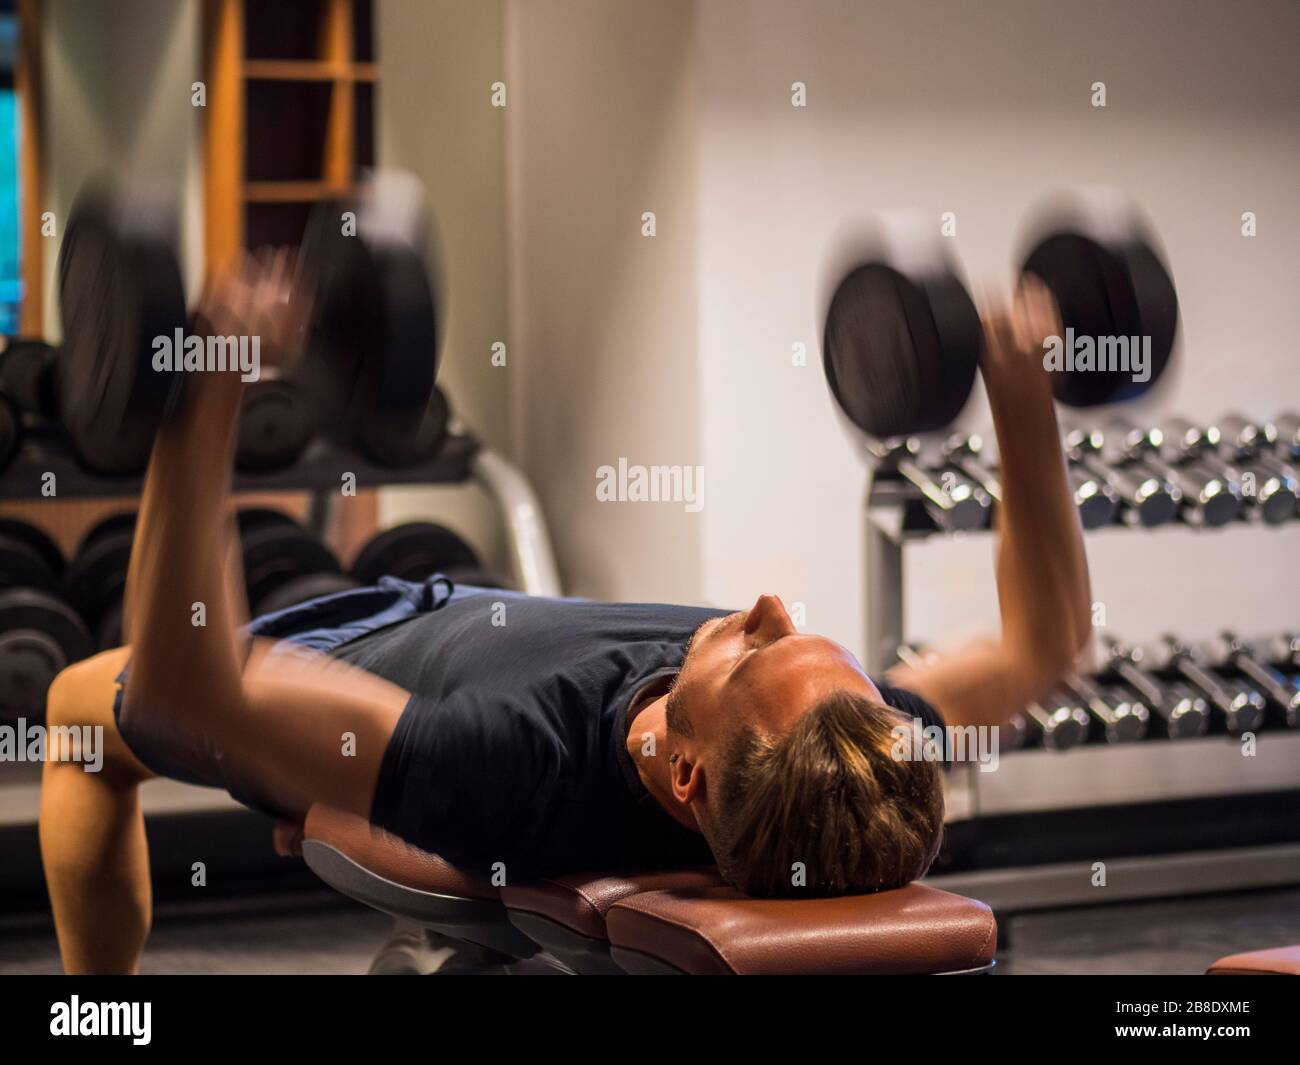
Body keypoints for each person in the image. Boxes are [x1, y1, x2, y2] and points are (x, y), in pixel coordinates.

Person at [40, 256, 1090, 974]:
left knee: (78, 719)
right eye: (808, 634)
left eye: (759, 647)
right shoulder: (838, 746)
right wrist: (1021, 402)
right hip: (470, 613)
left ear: (687, 774)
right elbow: (1047, 645)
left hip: (348, 657)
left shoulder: (509, 763)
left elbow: (196, 684)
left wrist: (207, 389)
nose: (767, 606)